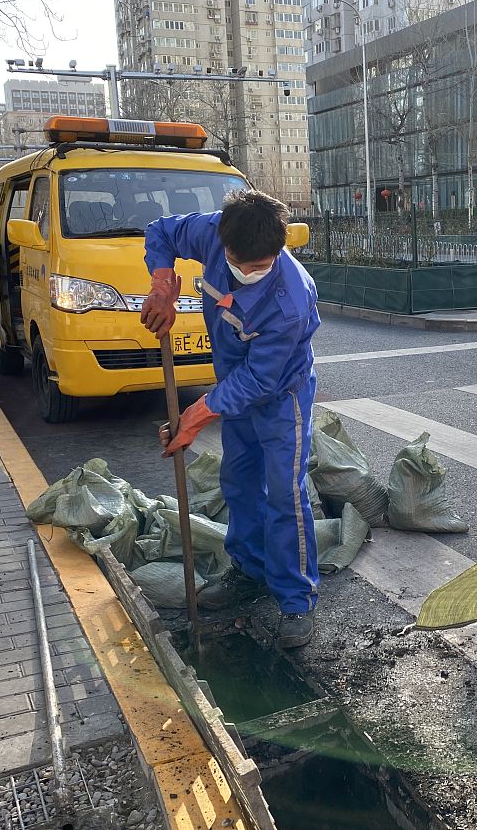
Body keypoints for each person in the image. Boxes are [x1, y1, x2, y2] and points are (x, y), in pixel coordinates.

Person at [140, 189, 321, 649]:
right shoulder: (211, 234)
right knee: (239, 479)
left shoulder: (290, 300)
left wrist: (195, 416)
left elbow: (261, 380)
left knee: (285, 491)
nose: (251, 273)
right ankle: (250, 567)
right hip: (231, 384)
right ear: (225, 246)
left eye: (263, 265)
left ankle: (296, 598)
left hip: (282, 394)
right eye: (243, 263)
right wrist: (162, 281)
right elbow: (160, 232)